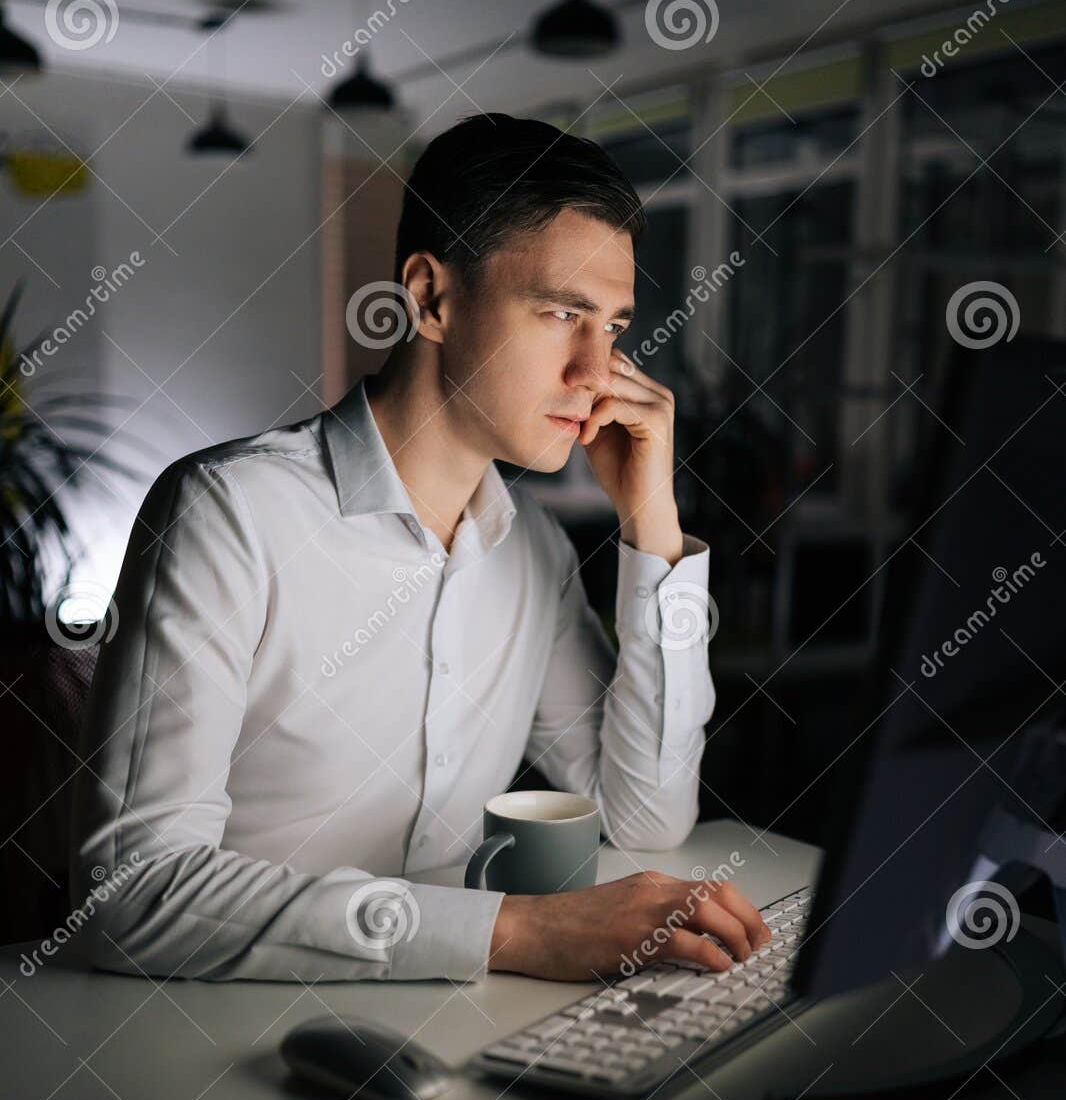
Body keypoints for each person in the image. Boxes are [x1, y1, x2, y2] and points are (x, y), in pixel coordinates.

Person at [69, 112, 770, 984]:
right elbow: (132, 896)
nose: (598, 373)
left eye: (616, 328)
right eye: (561, 314)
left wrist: (652, 524)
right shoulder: (229, 514)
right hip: (211, 1037)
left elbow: (647, 814)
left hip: (431, 1032)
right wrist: (517, 933)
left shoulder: (534, 551)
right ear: (432, 298)